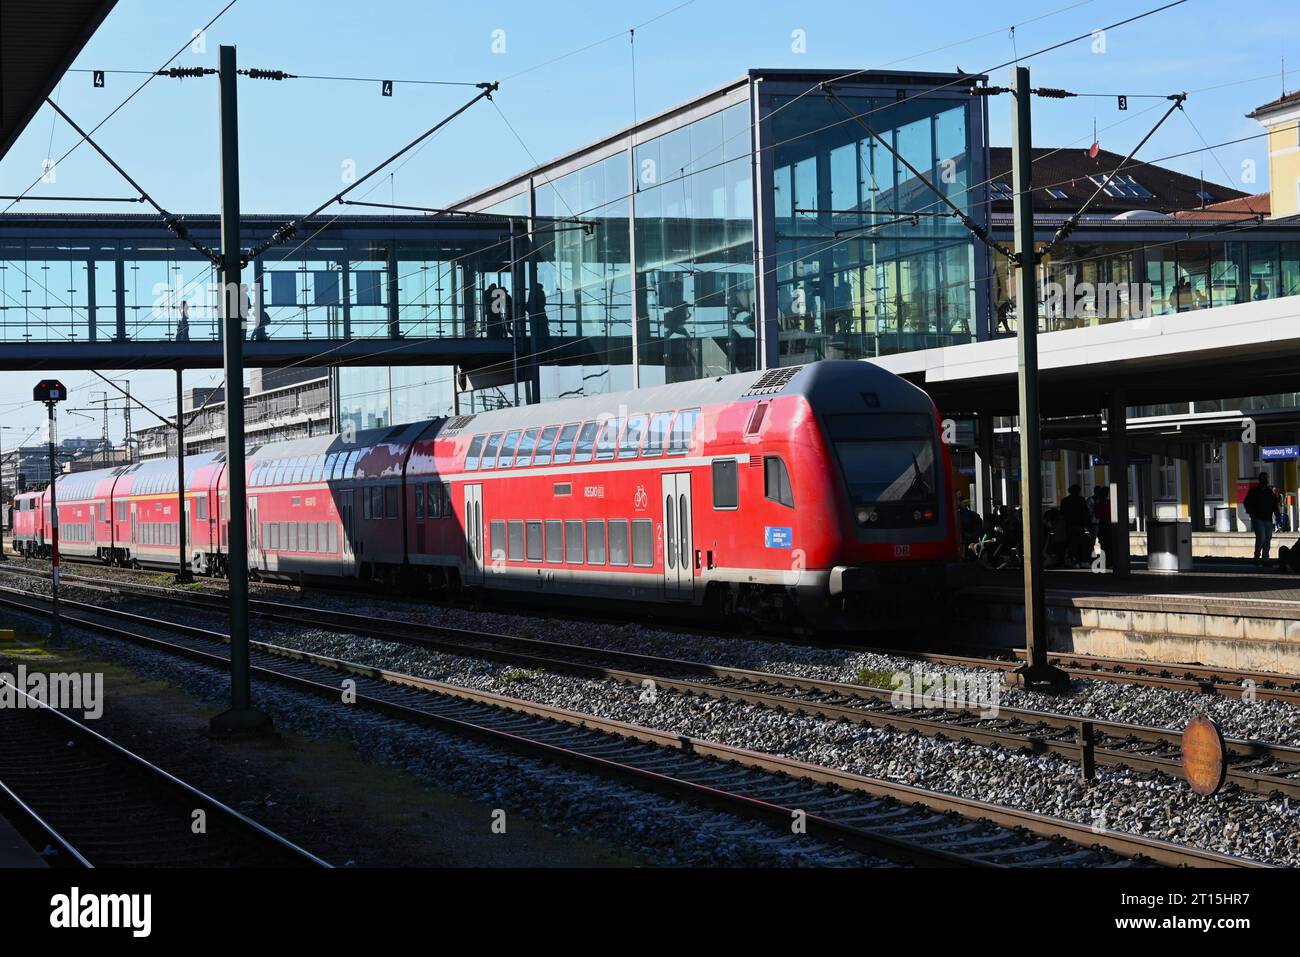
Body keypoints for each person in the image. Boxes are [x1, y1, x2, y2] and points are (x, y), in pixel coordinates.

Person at [1243, 472, 1279, 567]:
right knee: (1261, 538)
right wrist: (1251, 514)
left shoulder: (1269, 492)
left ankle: (1265, 559)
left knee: (1267, 539)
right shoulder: (1254, 491)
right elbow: (1246, 503)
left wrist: (1277, 515)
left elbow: (1274, 505)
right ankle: (1257, 557)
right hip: (1258, 518)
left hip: (1267, 518)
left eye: (1266, 478)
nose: (1265, 480)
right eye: (1264, 478)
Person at [1060, 483, 1091, 566]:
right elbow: (1086, 513)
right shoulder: (1081, 500)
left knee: (1072, 543)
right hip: (1080, 525)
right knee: (1082, 543)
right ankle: (1083, 561)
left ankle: (1075, 560)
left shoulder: (1064, 501)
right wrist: (1087, 525)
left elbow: (1062, 514)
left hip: (1069, 525)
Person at [1092, 486, 1112, 568]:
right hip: (1110, 524)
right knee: (1110, 543)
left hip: (1102, 524)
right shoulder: (1110, 503)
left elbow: (1096, 516)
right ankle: (1111, 561)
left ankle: (1105, 561)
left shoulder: (1098, 504)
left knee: (1103, 544)